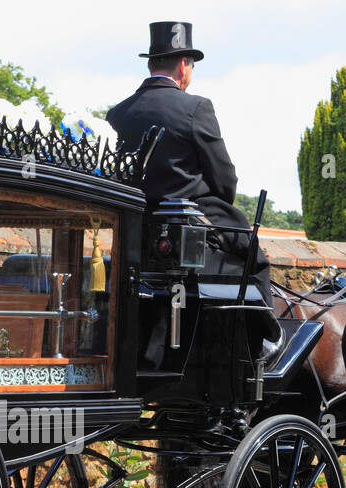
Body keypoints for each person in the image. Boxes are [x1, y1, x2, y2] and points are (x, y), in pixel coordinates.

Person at [106, 20, 279, 342]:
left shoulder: (118, 113)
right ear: (184, 65)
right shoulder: (196, 107)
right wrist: (219, 202)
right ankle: (266, 337)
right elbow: (224, 174)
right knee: (254, 256)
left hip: (134, 224)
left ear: (151, 63)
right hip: (190, 217)